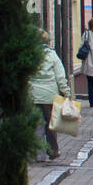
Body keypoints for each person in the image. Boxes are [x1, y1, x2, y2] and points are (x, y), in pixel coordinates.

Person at [30, 30, 70, 162]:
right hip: (50, 96)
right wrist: (67, 92)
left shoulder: (31, 55)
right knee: (50, 125)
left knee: (37, 125)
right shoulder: (52, 55)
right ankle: (53, 151)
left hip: (33, 95)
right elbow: (60, 76)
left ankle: (38, 154)